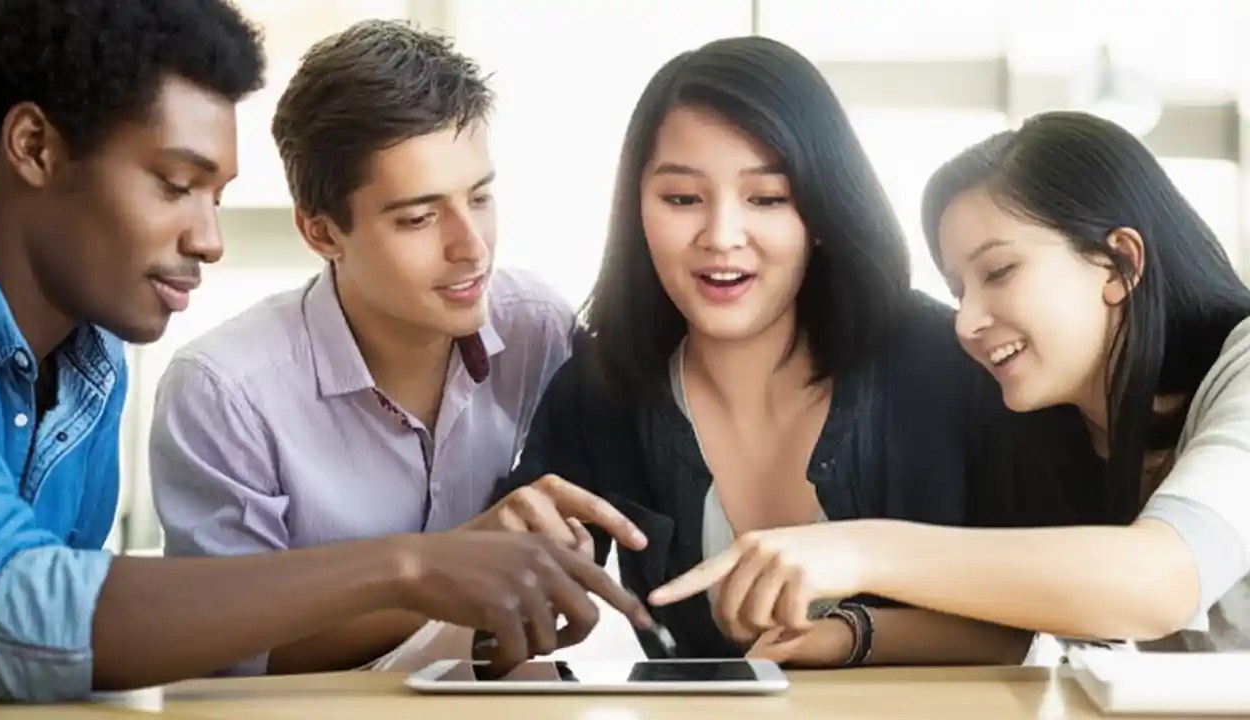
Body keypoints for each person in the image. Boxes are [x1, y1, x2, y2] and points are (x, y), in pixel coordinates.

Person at [0, 0, 648, 702]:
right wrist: (419, 567)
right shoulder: (221, 382)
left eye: (217, 196)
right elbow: (26, 612)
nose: (211, 241)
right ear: (34, 146)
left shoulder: (90, 361)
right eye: (176, 186)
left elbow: (49, 665)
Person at [484, 36, 1074, 667]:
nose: (721, 236)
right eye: (682, 199)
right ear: (638, 209)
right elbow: (497, 631)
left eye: (767, 198)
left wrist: (848, 636)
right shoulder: (601, 387)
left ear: (820, 211)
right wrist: (506, 575)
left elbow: (1026, 618)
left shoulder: (945, 359)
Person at [652, 111, 1250, 655]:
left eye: (999, 271)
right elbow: (1030, 635)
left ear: (1119, 263)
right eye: (959, 290)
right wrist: (847, 635)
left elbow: (1163, 582)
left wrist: (859, 551)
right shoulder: (1054, 431)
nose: (965, 322)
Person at [147, 19, 627, 676]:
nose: (472, 246)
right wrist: (449, 570)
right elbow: (231, 654)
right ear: (321, 232)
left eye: (480, 197)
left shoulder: (538, 329)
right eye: (419, 217)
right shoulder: (224, 391)